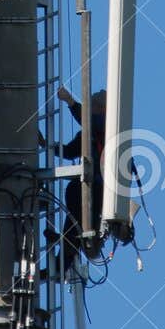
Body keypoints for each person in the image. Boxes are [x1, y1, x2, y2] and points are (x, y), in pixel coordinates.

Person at [53, 85, 107, 275]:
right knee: (75, 218)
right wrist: (48, 145)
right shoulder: (89, 133)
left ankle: (66, 248)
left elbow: (90, 122)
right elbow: (69, 151)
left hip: (99, 190)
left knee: (78, 220)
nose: (89, 108)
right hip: (85, 187)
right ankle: (62, 258)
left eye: (92, 105)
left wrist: (71, 102)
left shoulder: (108, 128)